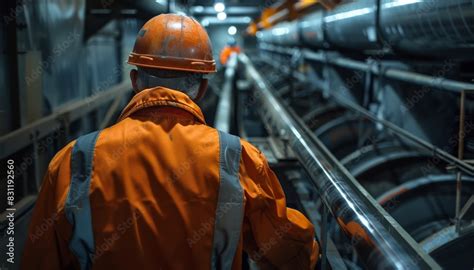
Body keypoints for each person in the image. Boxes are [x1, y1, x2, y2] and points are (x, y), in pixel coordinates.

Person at [21, 14, 319, 270]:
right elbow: (284, 246)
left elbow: (39, 258)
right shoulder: (236, 158)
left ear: (136, 80)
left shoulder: (74, 161)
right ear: (202, 88)